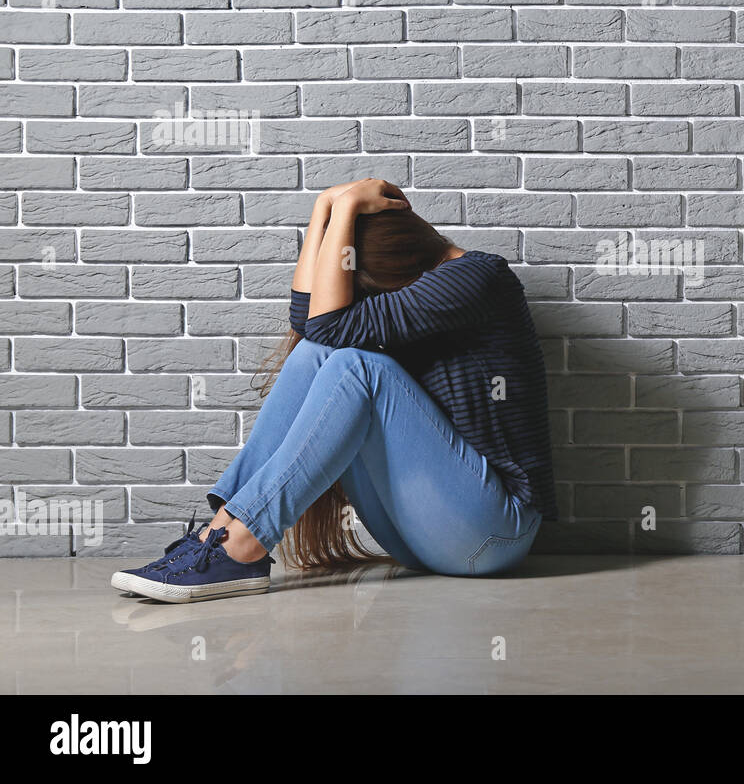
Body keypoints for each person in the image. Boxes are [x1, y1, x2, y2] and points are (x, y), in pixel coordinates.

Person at [111, 178, 556, 603]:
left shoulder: (478, 276)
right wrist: (323, 207)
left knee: (354, 363)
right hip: (421, 539)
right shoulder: (421, 289)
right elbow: (310, 323)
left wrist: (344, 208)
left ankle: (243, 544)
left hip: (495, 533)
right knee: (313, 352)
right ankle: (222, 535)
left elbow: (327, 324)